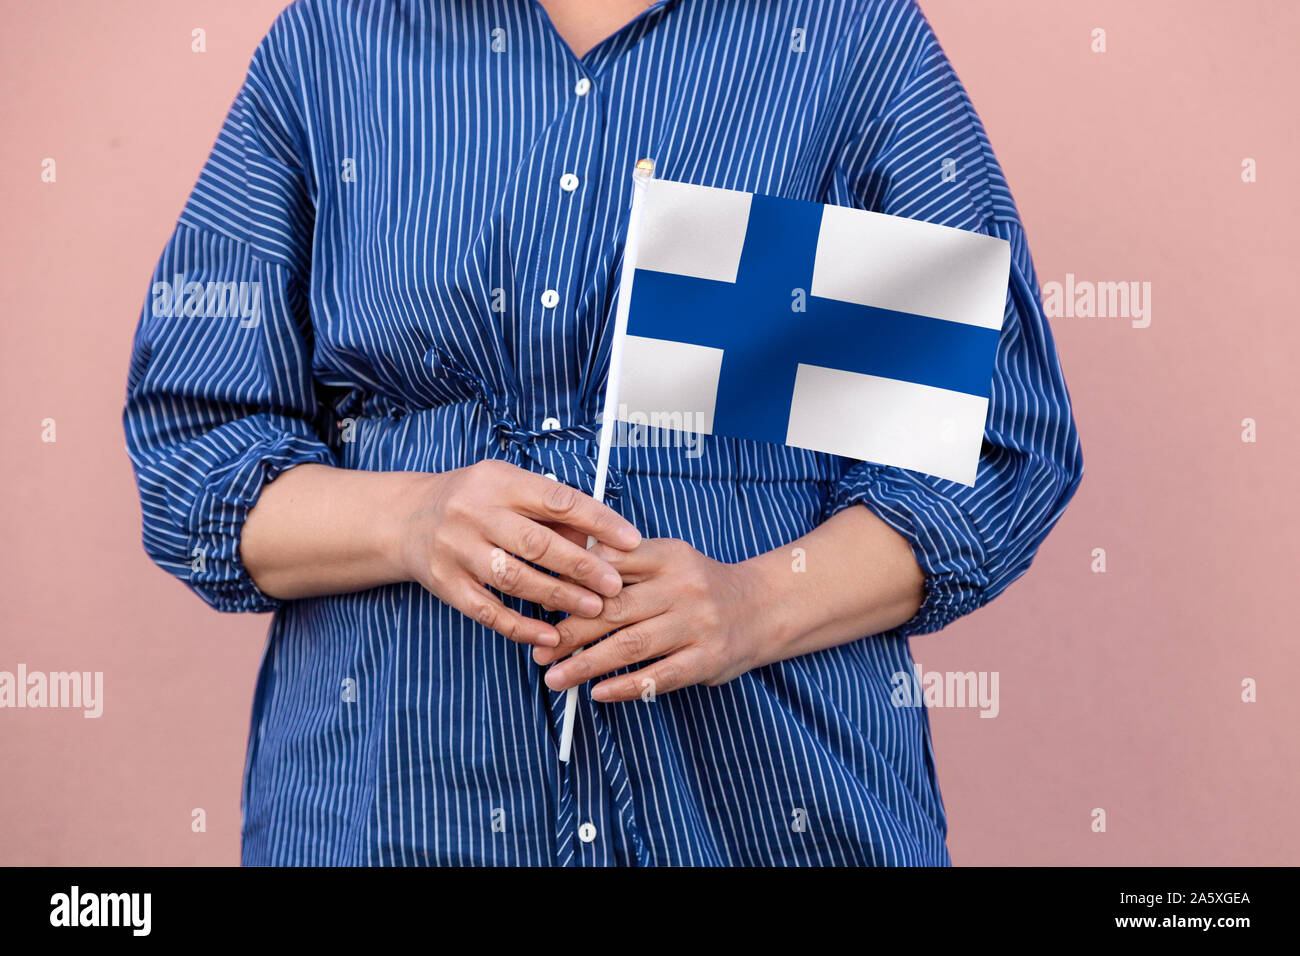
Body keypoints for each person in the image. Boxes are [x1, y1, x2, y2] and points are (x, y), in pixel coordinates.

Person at [123, 0, 1084, 866]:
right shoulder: (333, 43)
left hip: (769, 805)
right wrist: (411, 516)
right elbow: (193, 455)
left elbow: (997, 438)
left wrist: (756, 602)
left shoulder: (847, 36)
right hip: (383, 803)